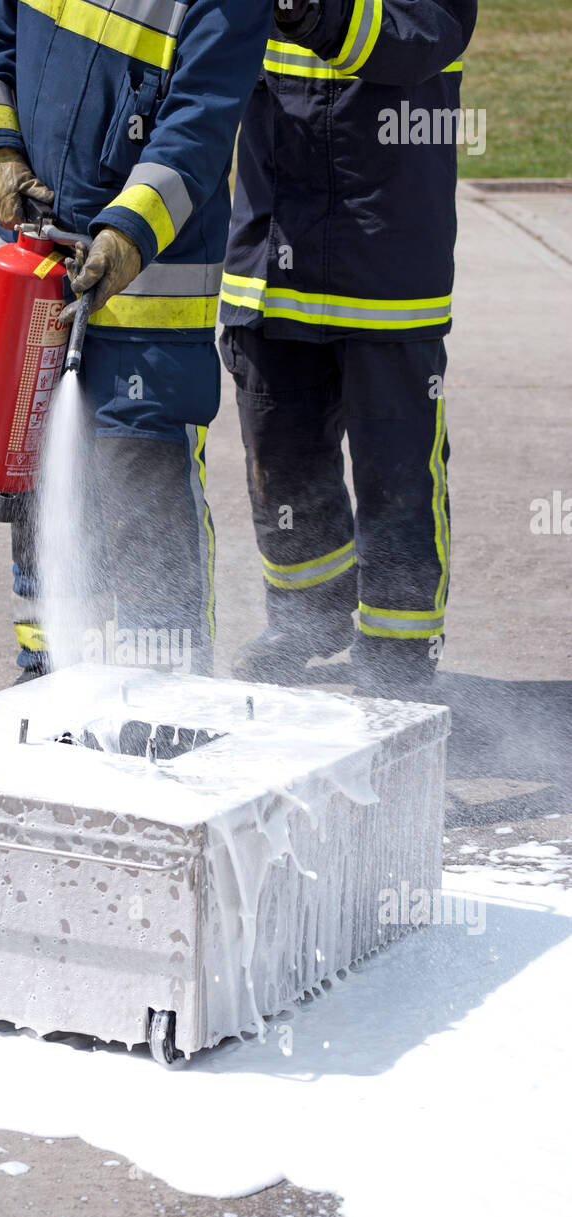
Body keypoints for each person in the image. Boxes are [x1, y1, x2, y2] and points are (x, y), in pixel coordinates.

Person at [0, 0, 273, 678]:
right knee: (36, 491)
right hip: (36, 281)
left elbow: (201, 122)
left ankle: (164, 709)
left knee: (144, 507)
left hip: (150, 301)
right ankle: (42, 681)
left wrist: (129, 232)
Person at [220, 0, 478, 697]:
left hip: (387, 256)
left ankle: (399, 649)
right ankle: (309, 617)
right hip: (273, 246)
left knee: (396, 468)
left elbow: (418, 38)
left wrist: (309, 11)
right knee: (277, 445)